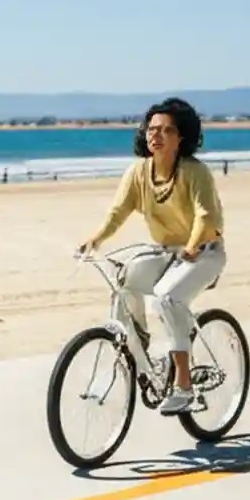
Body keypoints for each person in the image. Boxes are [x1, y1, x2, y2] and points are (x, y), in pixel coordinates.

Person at [78, 97, 226, 415]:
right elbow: (117, 212)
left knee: (166, 297)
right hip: (164, 253)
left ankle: (184, 387)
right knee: (124, 281)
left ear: (181, 137)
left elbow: (205, 216)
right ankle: (139, 351)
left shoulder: (194, 172)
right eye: (151, 129)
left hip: (204, 253)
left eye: (166, 130)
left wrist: (193, 245)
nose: (155, 135)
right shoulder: (138, 172)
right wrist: (96, 238)